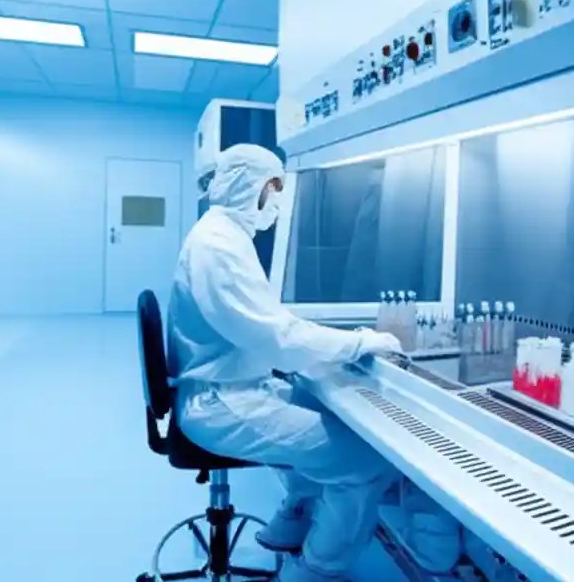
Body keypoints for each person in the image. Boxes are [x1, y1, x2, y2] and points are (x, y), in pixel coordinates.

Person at [168, 144, 403, 581]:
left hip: (230, 384)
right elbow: (276, 337)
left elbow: (267, 323)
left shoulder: (224, 235)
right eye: (273, 189)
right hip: (223, 402)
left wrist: (324, 342)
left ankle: (291, 519)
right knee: (365, 464)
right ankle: (316, 571)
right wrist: (358, 343)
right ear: (249, 186)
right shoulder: (218, 246)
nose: (277, 202)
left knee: (313, 408)